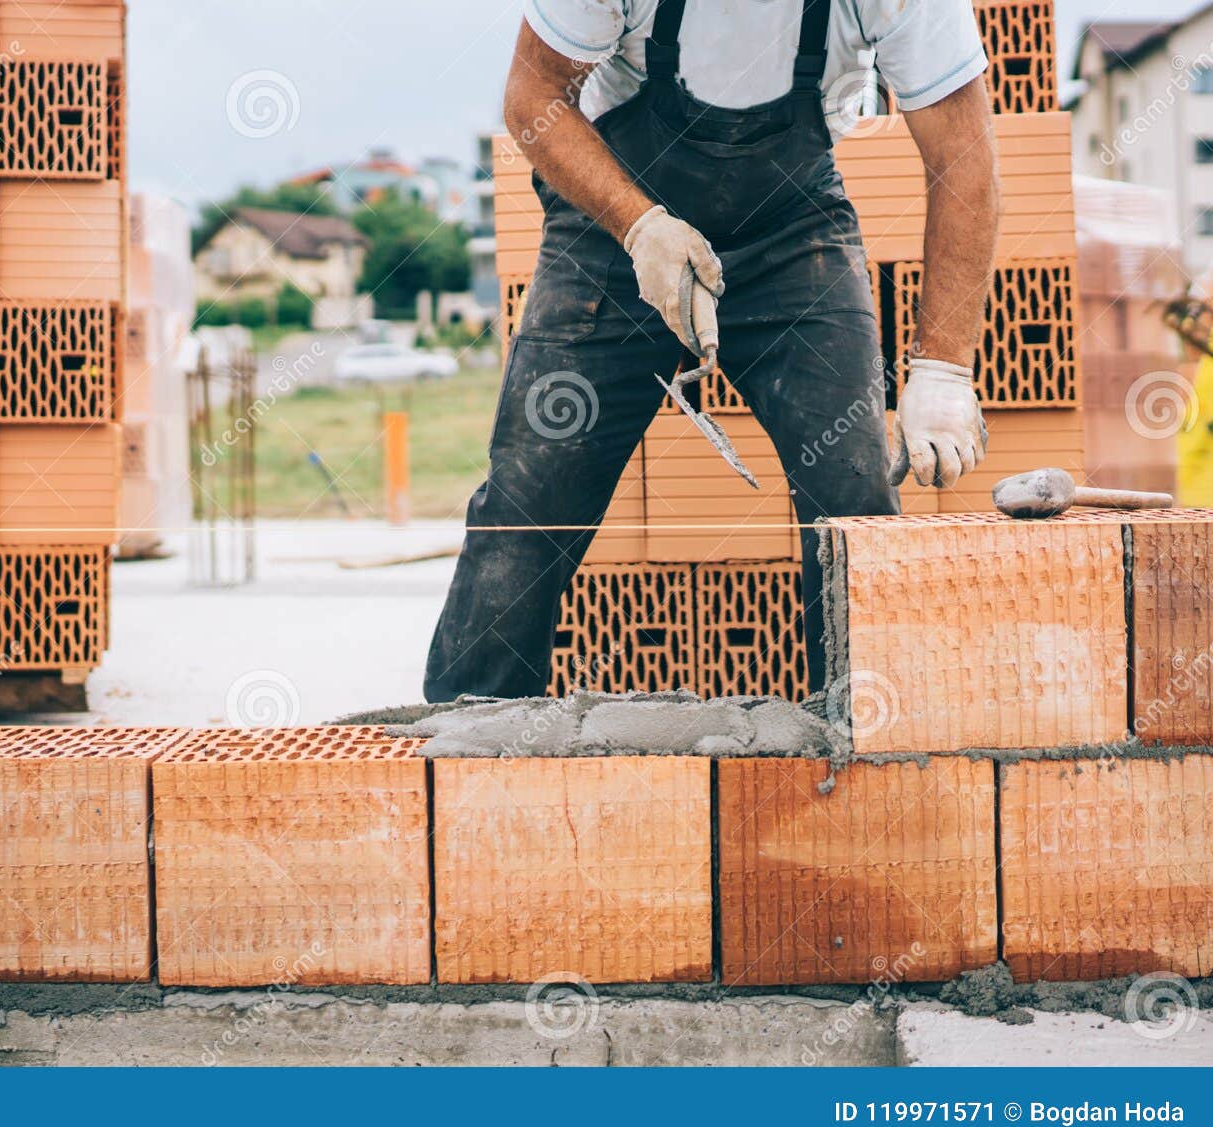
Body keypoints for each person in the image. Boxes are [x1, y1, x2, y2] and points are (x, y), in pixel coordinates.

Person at [425, 0, 1001, 700]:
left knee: (852, 499)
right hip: (613, 226)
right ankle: (464, 754)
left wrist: (942, 368)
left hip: (792, 231)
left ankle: (863, 757)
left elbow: (963, 156)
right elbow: (532, 99)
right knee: (530, 498)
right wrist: (641, 230)